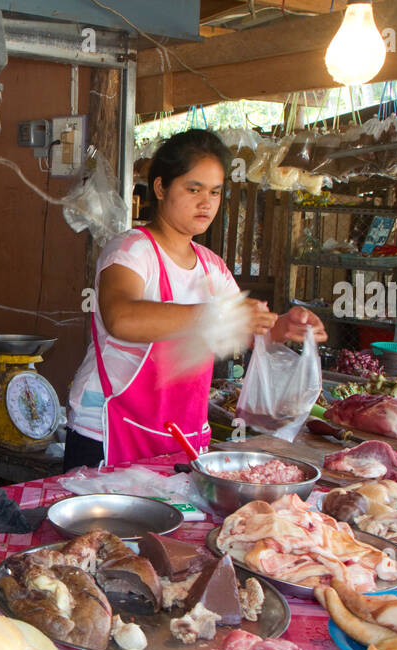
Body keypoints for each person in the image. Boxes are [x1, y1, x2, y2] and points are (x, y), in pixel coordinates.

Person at [64, 129, 326, 470]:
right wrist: (215, 314)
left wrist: (283, 327)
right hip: (107, 427)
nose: (206, 203)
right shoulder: (131, 250)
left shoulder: (212, 267)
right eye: (193, 189)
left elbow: (244, 331)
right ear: (160, 188)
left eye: (215, 192)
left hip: (180, 433)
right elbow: (122, 319)